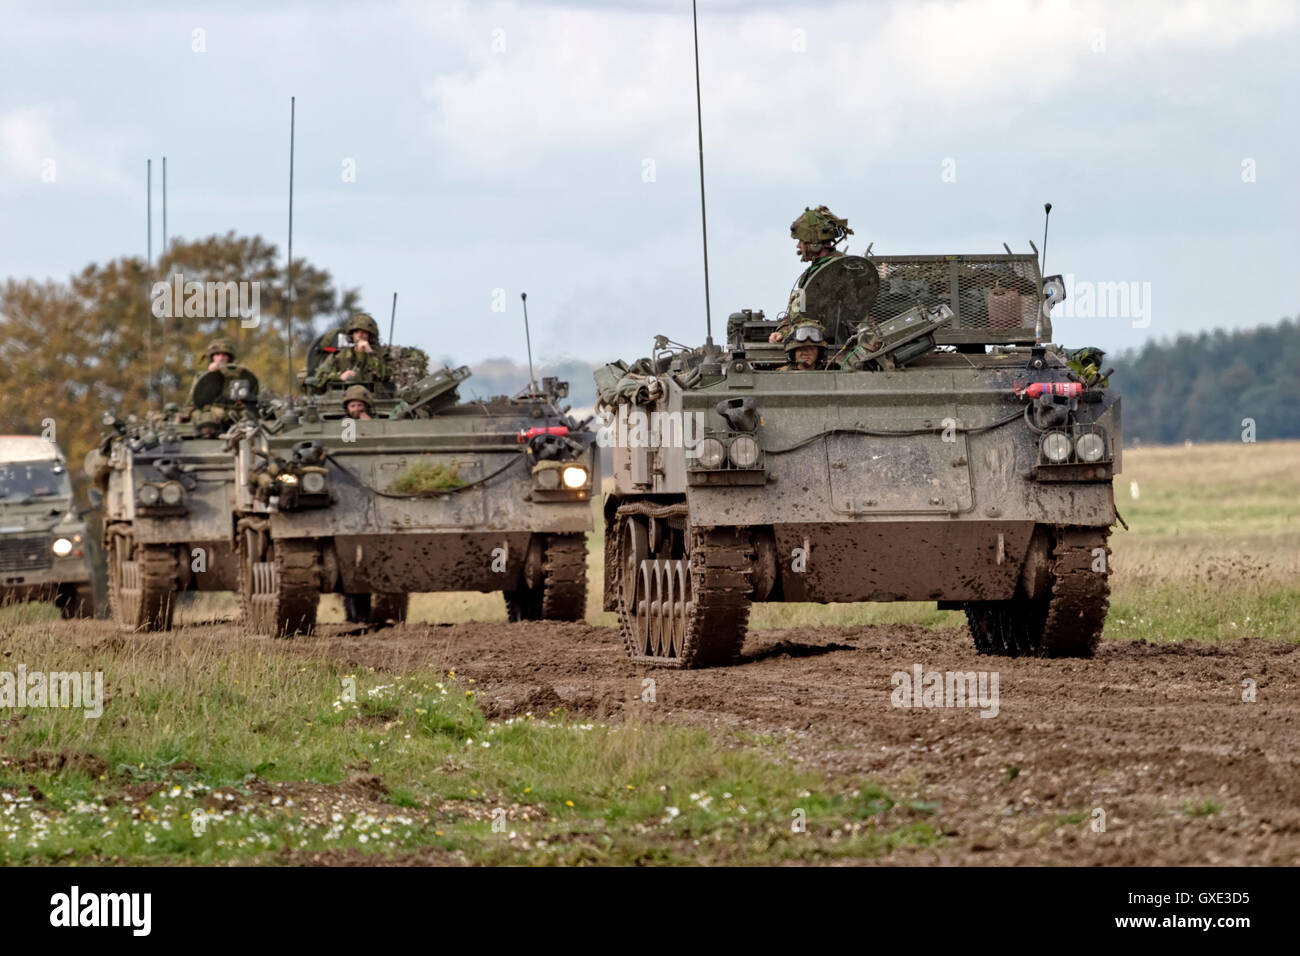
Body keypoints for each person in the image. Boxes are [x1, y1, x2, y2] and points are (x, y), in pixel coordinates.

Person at [769, 205, 854, 343]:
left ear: (814, 244)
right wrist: (781, 332)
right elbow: (797, 313)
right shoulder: (813, 273)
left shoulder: (840, 271)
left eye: (801, 241)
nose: (798, 246)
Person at [183, 339, 259, 434]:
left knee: (249, 419)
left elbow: (247, 397)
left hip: (234, 413)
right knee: (207, 422)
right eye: (217, 355)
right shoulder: (201, 378)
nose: (220, 358)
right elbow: (192, 403)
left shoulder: (239, 374)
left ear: (229, 358)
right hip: (210, 414)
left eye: (224, 355)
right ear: (212, 357)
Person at [312, 313, 393, 392]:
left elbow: (386, 376)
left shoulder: (381, 354)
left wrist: (370, 353)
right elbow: (318, 379)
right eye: (357, 332)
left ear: (370, 335)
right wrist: (339, 377)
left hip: (374, 397)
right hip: (343, 398)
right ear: (352, 335)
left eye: (364, 332)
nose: (360, 335)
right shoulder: (339, 355)